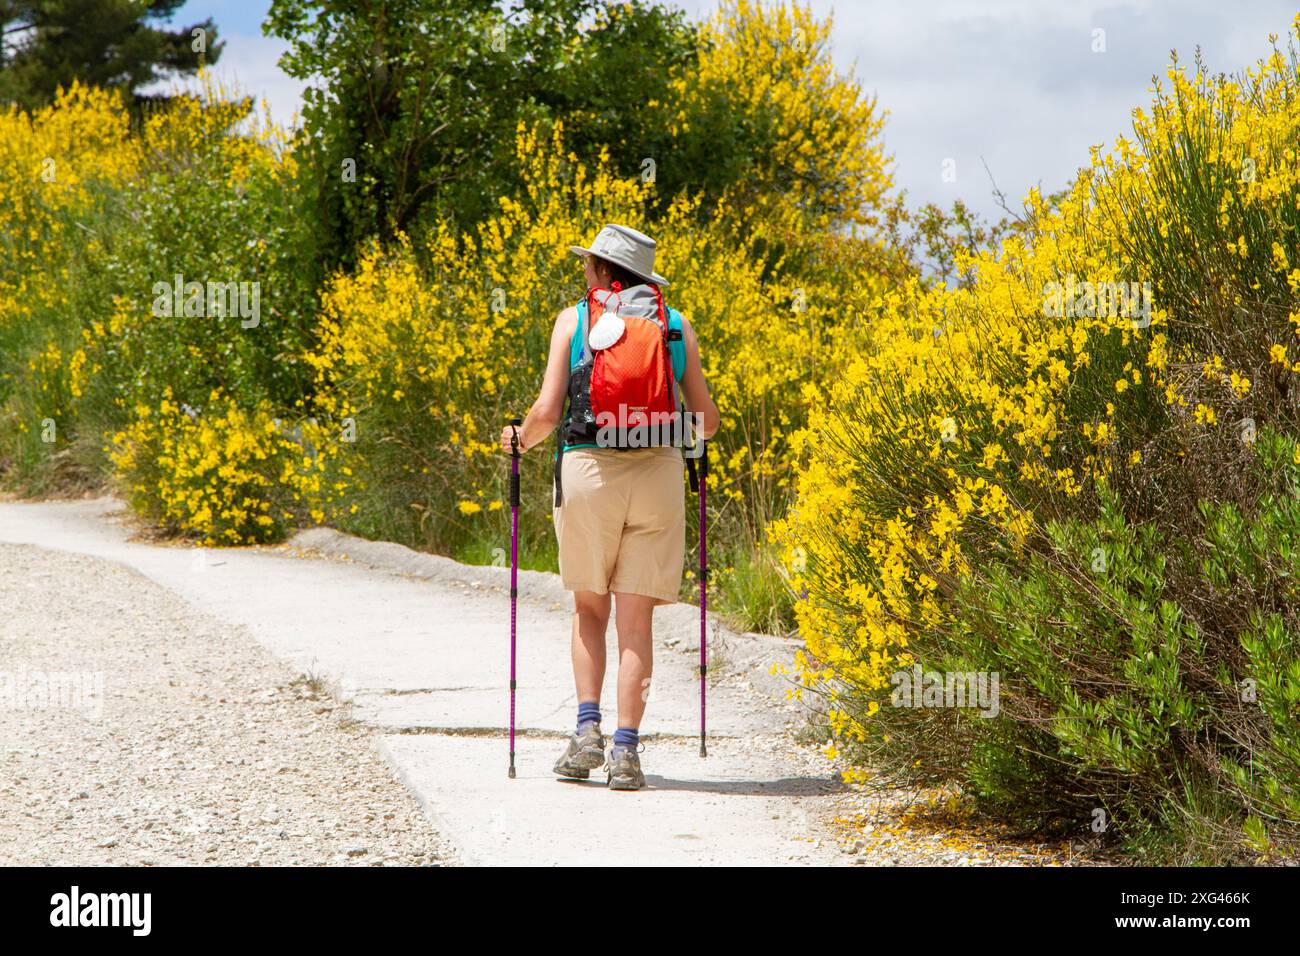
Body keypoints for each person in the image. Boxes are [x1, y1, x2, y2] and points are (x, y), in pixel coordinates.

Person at [499, 223, 720, 791]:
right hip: (658, 475)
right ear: (643, 275)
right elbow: (707, 422)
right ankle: (627, 752)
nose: (584, 271)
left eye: (588, 264)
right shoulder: (674, 325)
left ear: (601, 269)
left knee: (589, 612)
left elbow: (549, 412)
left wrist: (518, 439)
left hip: (590, 472)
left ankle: (587, 733)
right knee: (636, 621)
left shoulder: (575, 320)